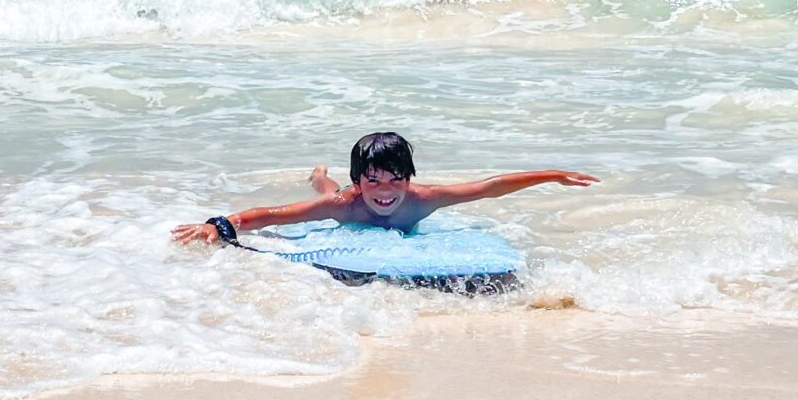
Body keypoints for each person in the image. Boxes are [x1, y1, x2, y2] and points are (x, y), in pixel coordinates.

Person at [171, 132, 598, 246]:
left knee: (329, 189)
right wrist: (221, 225)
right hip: (337, 196)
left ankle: (322, 172)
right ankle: (320, 172)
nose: (385, 190)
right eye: (373, 181)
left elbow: (489, 187)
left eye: (396, 179)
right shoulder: (345, 205)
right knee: (324, 190)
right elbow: (274, 214)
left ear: (409, 180)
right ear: (360, 183)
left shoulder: (423, 201)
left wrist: (552, 174)